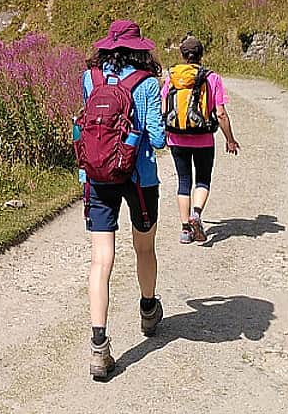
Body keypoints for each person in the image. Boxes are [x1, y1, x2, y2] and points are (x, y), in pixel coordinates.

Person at [79, 20, 167, 379]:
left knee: (101, 259)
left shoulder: (91, 79)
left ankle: (99, 346)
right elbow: (158, 139)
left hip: (97, 176)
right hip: (139, 178)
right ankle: (148, 309)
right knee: (144, 248)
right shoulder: (146, 83)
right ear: (139, 48)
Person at [160, 35, 241, 244]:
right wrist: (230, 139)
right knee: (203, 179)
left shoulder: (172, 77)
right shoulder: (211, 78)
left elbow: (163, 108)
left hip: (176, 138)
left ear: (183, 55)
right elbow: (220, 113)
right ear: (201, 54)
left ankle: (185, 230)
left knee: (183, 181)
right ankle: (196, 214)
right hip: (203, 137)